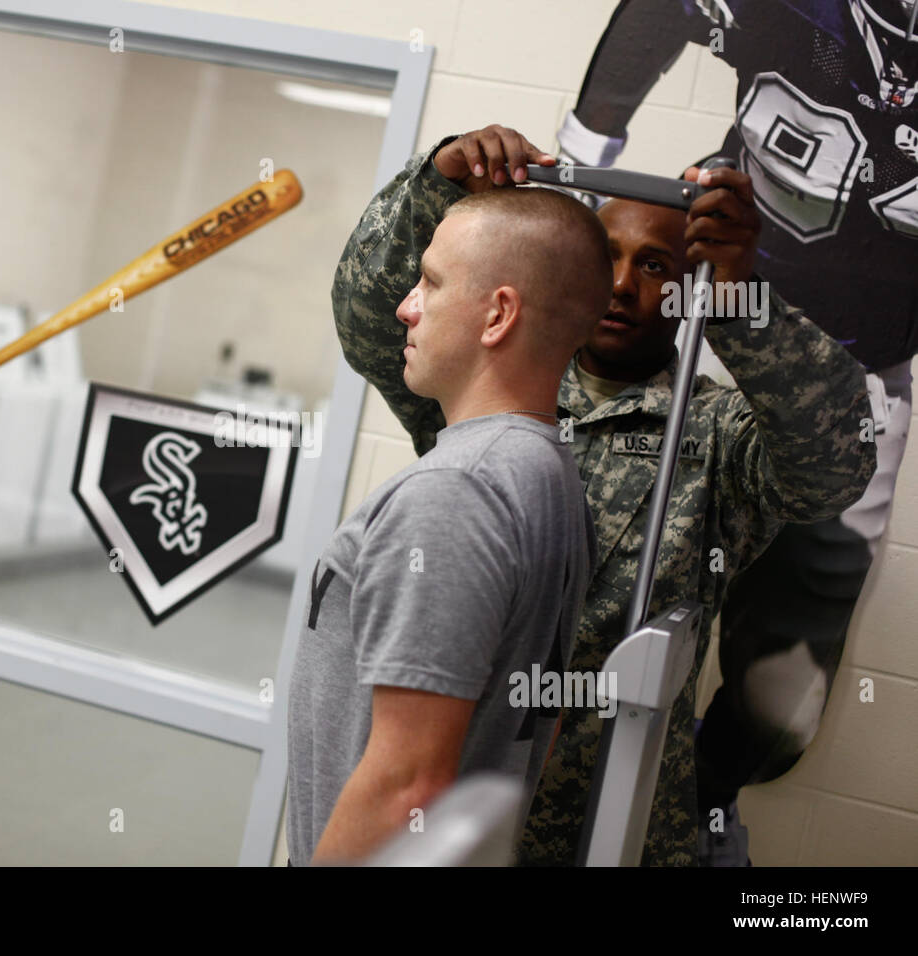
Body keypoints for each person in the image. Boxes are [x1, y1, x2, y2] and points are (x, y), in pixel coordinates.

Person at [331, 124, 877, 865]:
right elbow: (368, 319)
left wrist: (742, 297)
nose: (622, 286)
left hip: (613, 828)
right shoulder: (492, 383)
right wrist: (438, 181)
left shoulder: (713, 432)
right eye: (608, 258)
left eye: (656, 265)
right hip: (454, 816)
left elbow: (834, 461)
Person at [559, 0, 918, 863]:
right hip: (705, 340)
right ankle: (563, 780)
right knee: (603, 574)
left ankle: (696, 809)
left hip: (856, 385)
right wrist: (579, 156)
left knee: (786, 694)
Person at [284, 178, 609, 866]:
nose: (405, 307)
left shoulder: (456, 492)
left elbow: (409, 785)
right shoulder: (545, 474)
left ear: (498, 315)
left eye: (429, 283)